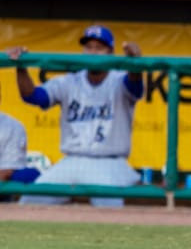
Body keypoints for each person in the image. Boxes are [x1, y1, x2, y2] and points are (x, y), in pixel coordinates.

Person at [12, 25, 144, 206]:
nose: (93, 52)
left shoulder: (120, 80)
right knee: (30, 202)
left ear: (111, 52)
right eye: (88, 47)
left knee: (112, 210)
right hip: (72, 161)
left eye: (99, 48)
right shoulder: (69, 81)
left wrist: (134, 63)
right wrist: (21, 67)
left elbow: (134, 85)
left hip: (109, 162)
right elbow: (32, 96)